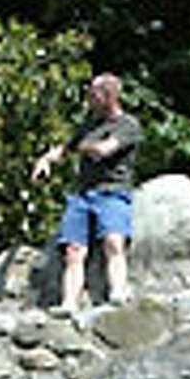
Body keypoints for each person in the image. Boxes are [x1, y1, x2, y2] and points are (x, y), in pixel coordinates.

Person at [31, 73, 143, 311]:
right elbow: (64, 149)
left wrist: (80, 147)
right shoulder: (88, 125)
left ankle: (118, 292)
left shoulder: (127, 125)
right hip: (82, 195)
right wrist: (45, 160)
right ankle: (69, 303)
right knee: (73, 250)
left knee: (114, 242)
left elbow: (104, 150)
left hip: (113, 192)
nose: (89, 99)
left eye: (93, 95)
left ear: (109, 96)